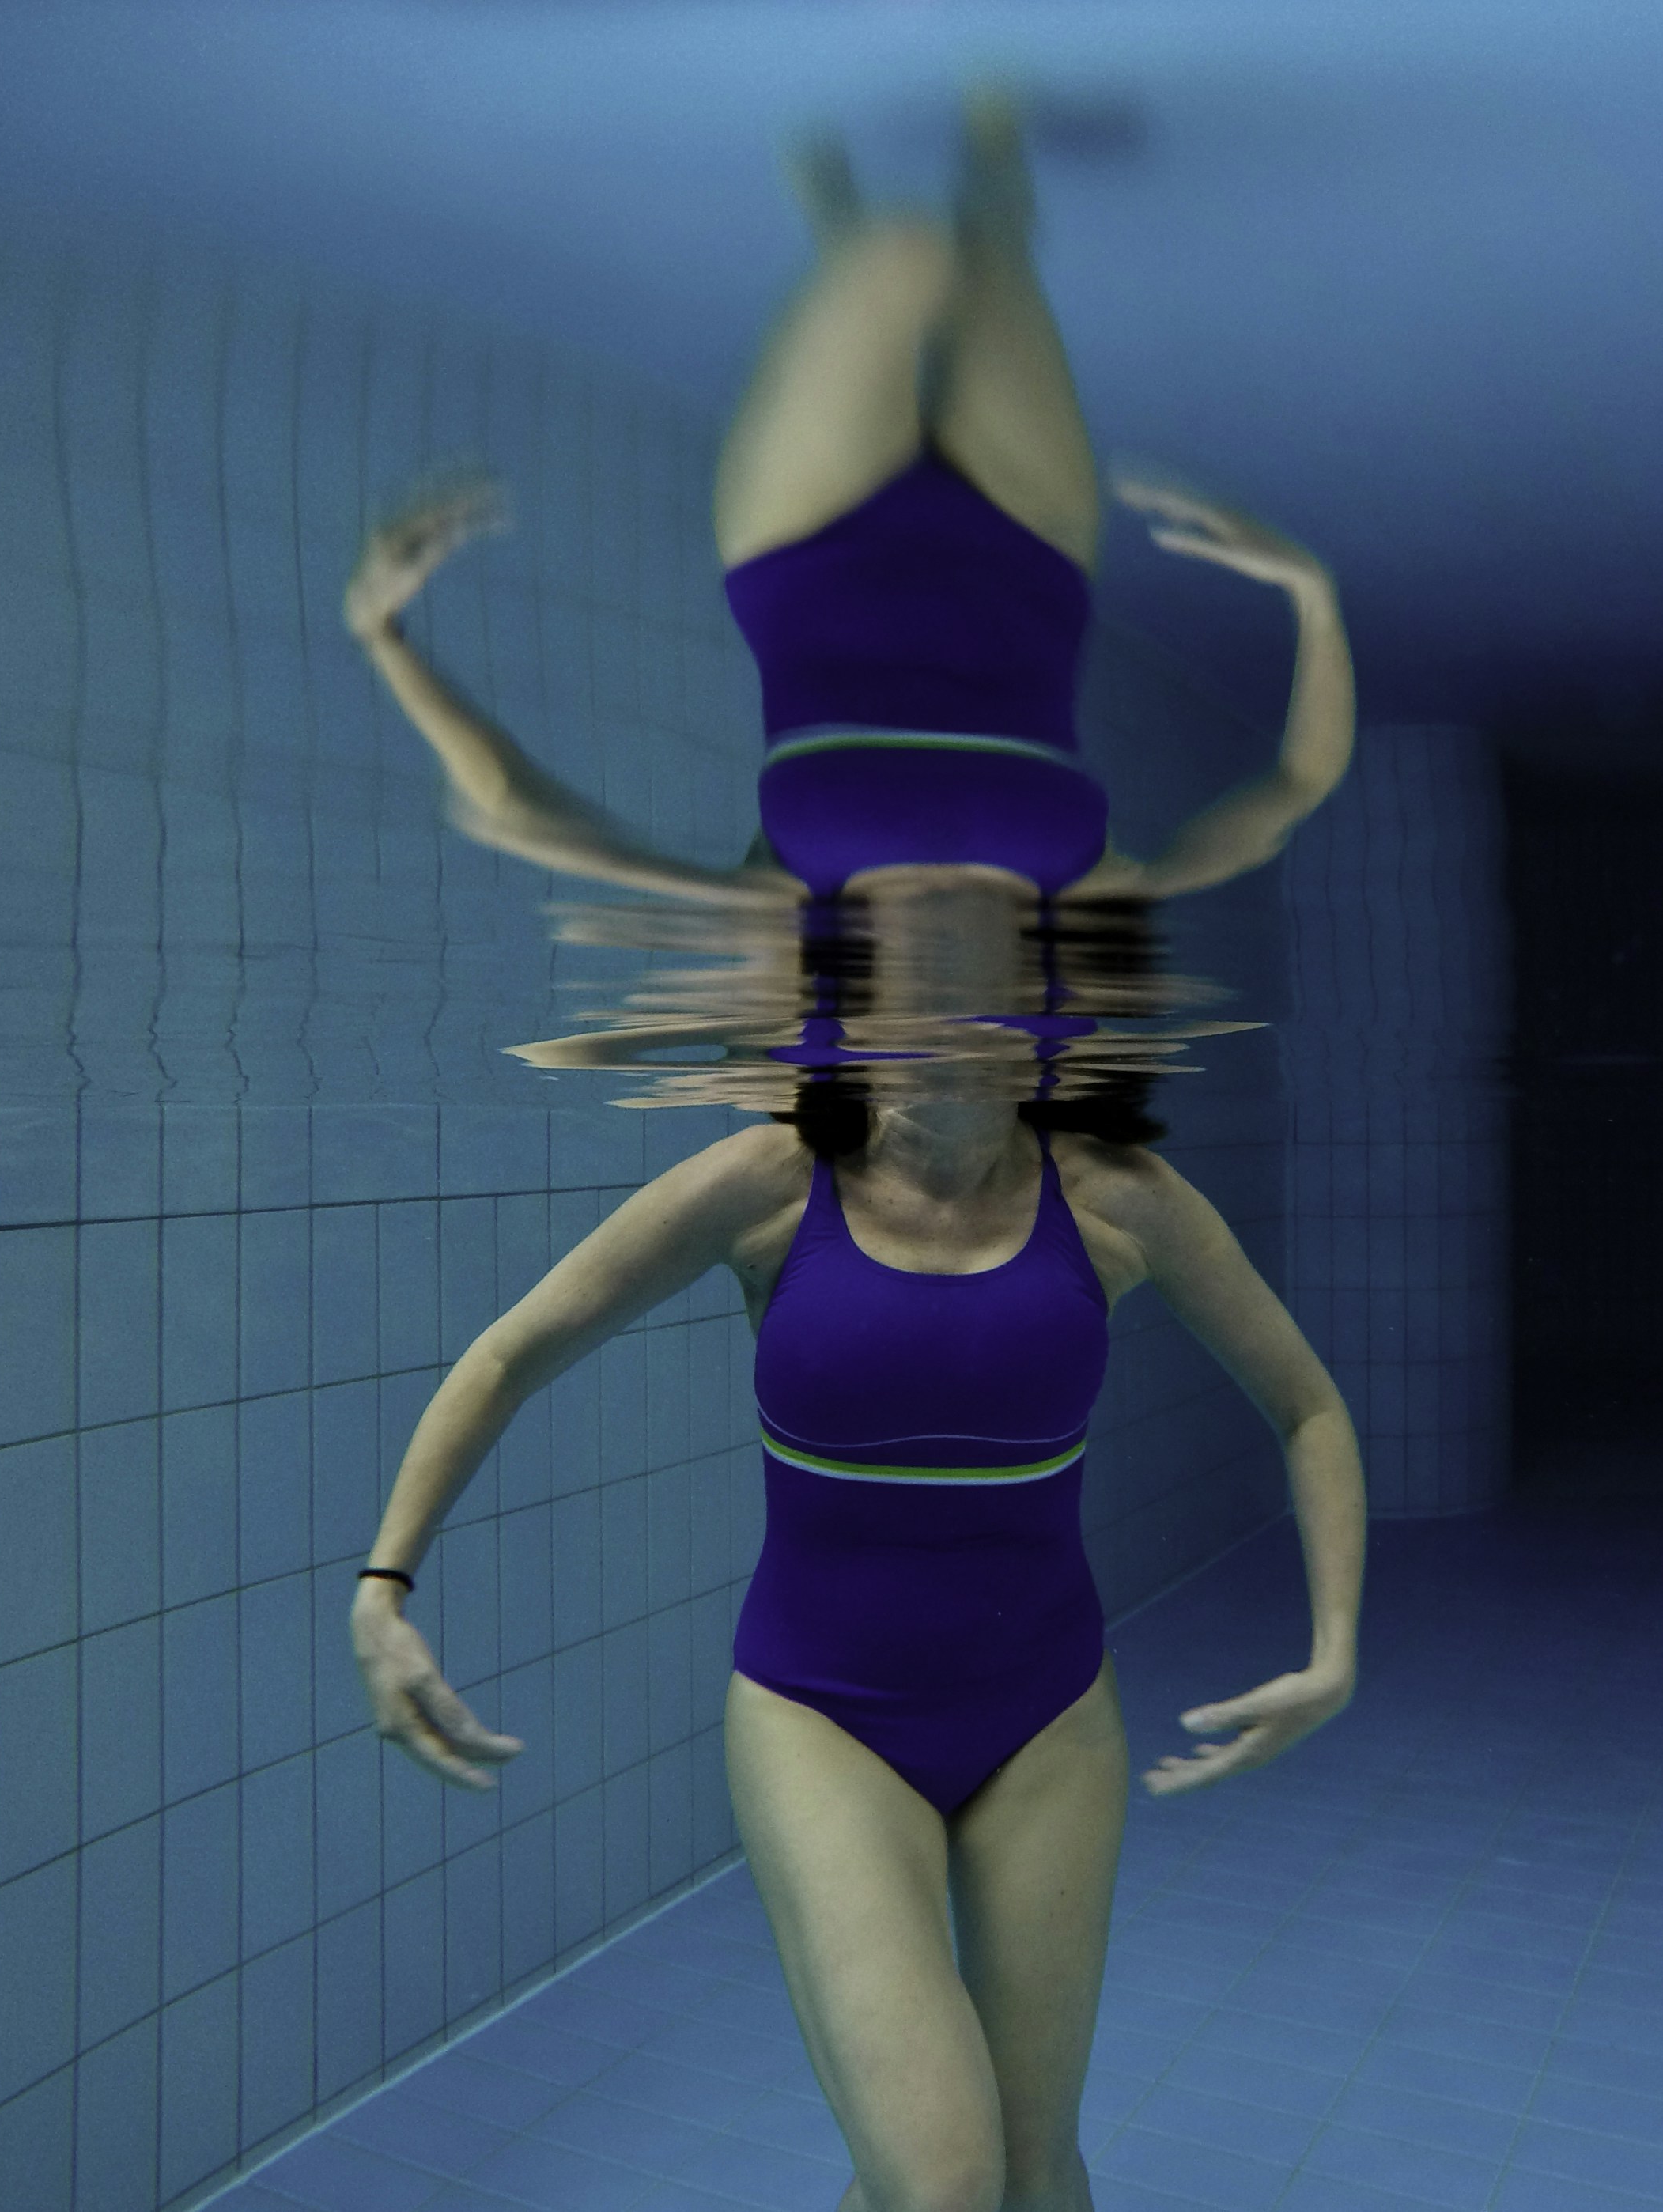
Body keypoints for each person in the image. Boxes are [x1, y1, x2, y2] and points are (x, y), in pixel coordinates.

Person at [345, 89, 1367, 2212]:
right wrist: (385, 1586)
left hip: (1048, 1710)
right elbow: (522, 1330)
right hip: (820, 1702)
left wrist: (1312, 600)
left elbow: (1272, 815)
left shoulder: (1107, 1197)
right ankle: (835, 179)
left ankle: (957, 165)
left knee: (1032, 2177)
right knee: (940, 2181)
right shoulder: (759, 1179)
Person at [341, 85, 1356, 911]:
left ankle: (839, 220)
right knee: (983, 244)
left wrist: (380, 633)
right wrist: (1313, 595)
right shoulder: (1084, 901)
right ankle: (995, 147)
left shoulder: (784, 915)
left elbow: (517, 809)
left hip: (807, 548)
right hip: (1026, 551)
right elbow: (1296, 786)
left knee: (901, 253)